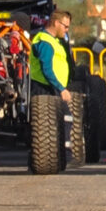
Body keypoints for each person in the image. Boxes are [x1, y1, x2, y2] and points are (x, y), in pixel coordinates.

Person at [28, 9, 75, 161]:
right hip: (45, 88)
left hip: (51, 87)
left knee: (59, 122)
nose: (66, 30)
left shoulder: (54, 41)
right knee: (48, 125)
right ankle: (63, 156)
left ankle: (60, 156)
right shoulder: (45, 42)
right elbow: (47, 69)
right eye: (65, 26)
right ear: (56, 23)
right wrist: (61, 88)